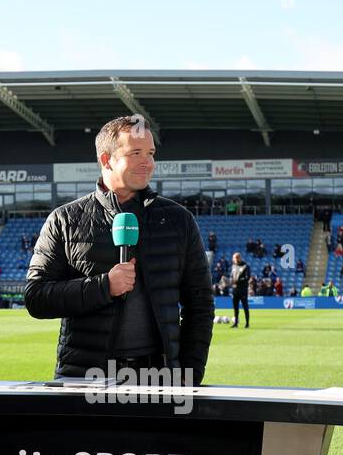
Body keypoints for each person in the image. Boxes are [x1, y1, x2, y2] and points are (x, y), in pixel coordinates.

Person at [24, 115, 213, 382]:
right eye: (136, 153)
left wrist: (189, 374)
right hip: (84, 375)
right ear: (106, 159)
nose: (148, 162)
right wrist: (105, 286)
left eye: (150, 153)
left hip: (159, 378)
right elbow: (36, 297)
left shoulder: (178, 220)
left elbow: (200, 303)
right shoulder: (65, 219)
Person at [230, 251, 251, 328]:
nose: (233, 260)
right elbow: (232, 276)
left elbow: (247, 277)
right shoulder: (233, 266)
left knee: (245, 306)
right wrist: (229, 281)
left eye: (234, 258)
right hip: (235, 290)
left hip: (242, 290)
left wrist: (238, 281)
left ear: (238, 258)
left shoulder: (245, 266)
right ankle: (235, 323)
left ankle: (247, 323)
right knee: (235, 307)